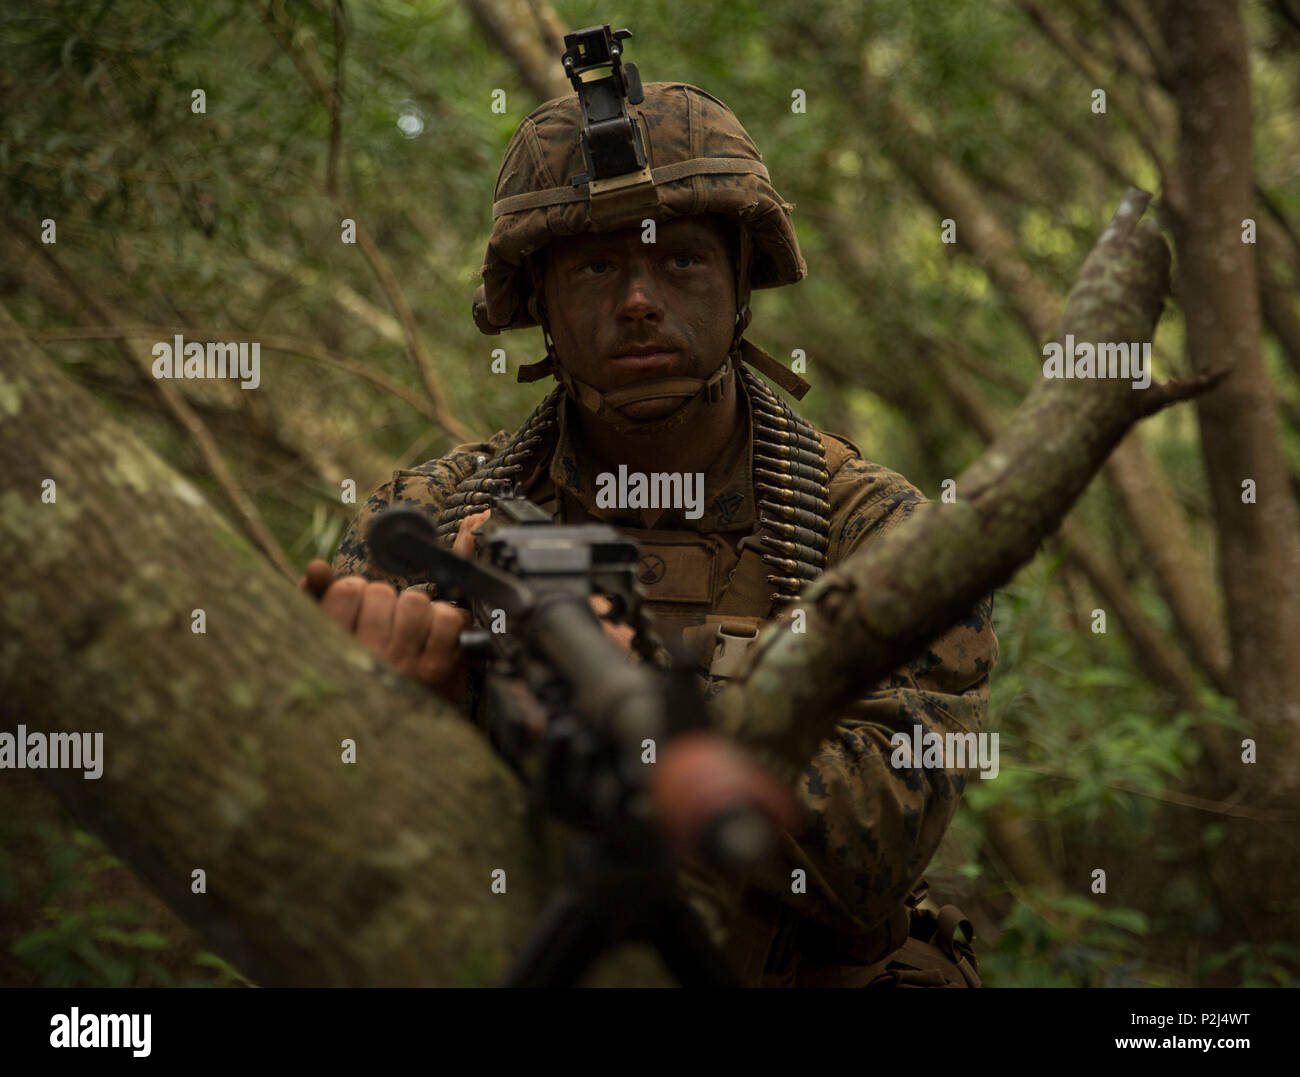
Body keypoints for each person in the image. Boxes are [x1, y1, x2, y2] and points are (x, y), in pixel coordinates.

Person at [301, 76, 997, 987]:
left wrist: (650, 684)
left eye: (681, 262)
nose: (638, 299)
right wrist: (409, 710)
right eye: (595, 266)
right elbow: (312, 822)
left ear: (741, 280)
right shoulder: (428, 519)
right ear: (539, 301)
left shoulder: (877, 532)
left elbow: (878, 850)